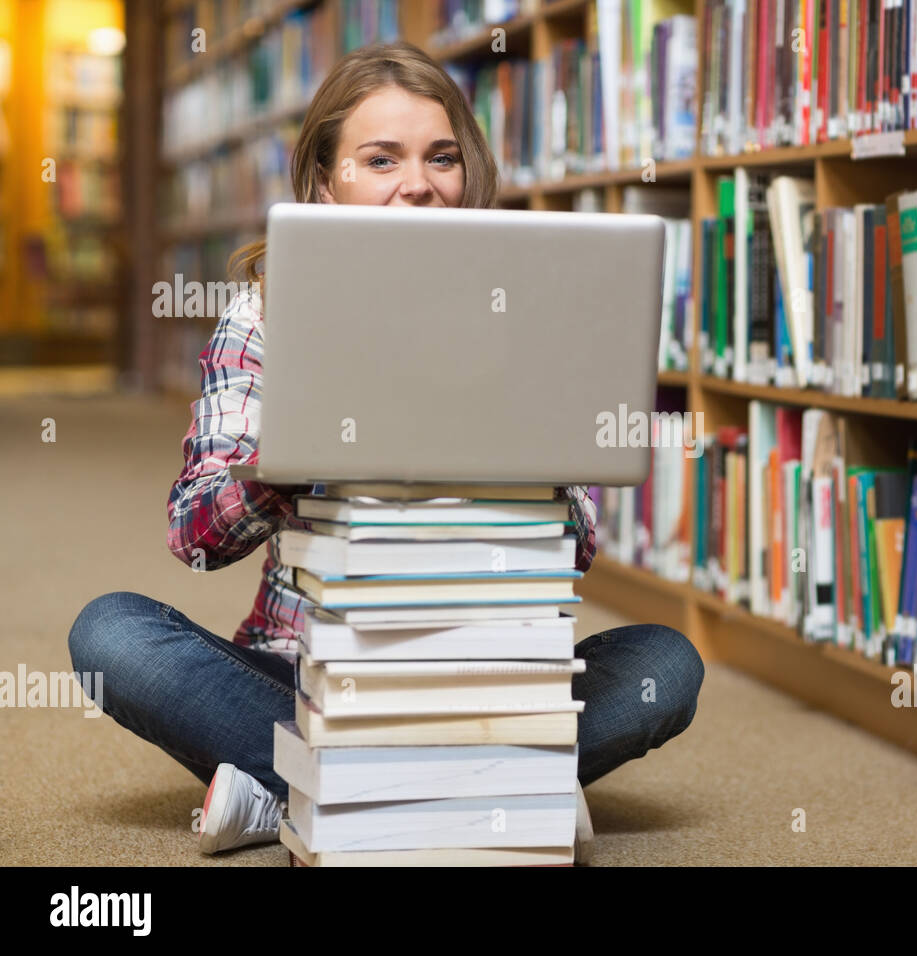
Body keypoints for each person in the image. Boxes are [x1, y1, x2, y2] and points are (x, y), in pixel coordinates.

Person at [67, 41, 704, 865]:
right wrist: (293, 457)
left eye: (442, 157)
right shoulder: (264, 318)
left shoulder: (528, 312)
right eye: (381, 158)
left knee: (668, 664)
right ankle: (500, 791)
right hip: (306, 673)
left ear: (468, 171)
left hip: (483, 676)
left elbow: (577, 549)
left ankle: (297, 788)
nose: (419, 183)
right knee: (110, 637)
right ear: (327, 182)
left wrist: (508, 426)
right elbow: (195, 532)